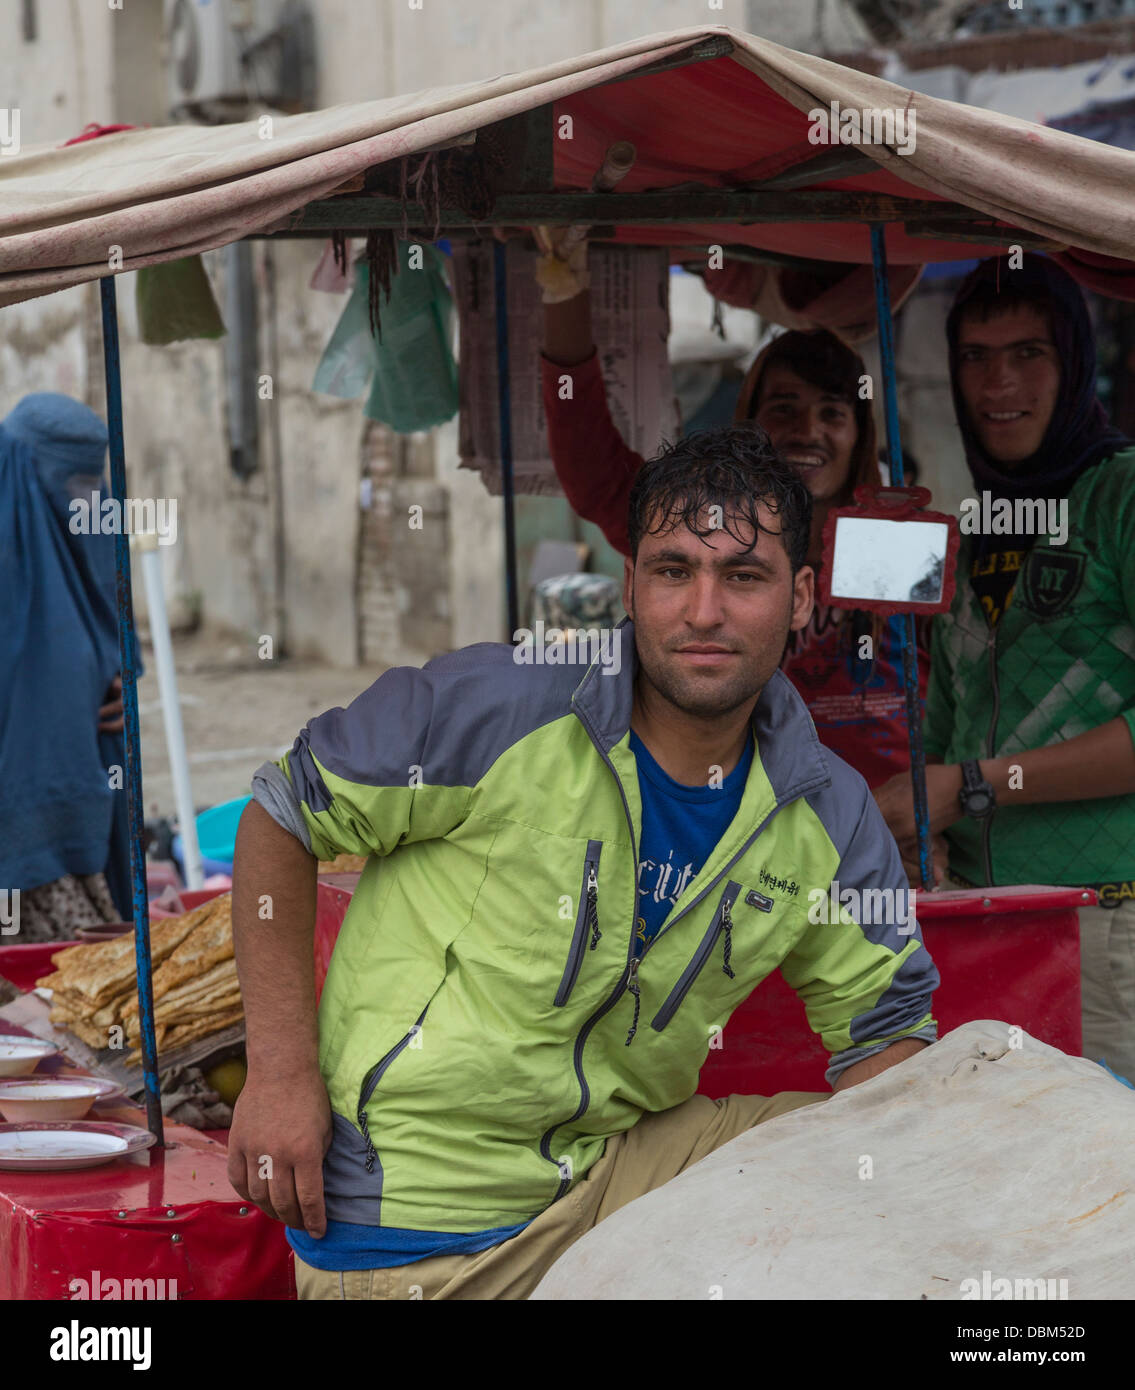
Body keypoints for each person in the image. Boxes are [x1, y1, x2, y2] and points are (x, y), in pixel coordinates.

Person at [229, 426, 939, 1301]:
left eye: (743, 576)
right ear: (632, 585)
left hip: (616, 1174)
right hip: (415, 1218)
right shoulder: (498, 707)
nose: (704, 611)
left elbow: (887, 1034)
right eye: (674, 571)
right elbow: (281, 811)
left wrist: (888, 1187)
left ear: (799, 597)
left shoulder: (826, 805)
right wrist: (280, 1074)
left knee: (929, 1125)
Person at [873, 253, 1135, 1081]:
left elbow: (963, 769)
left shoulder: (1119, 496)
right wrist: (930, 829)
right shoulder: (971, 528)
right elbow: (943, 732)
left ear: (1074, 363)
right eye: (974, 357)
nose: (998, 381)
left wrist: (976, 785)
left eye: (1028, 353)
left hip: (1107, 921)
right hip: (981, 930)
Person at [540, 283, 933, 800]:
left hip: (880, 829)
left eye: (833, 413)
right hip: (735, 830)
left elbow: (946, 694)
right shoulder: (700, 525)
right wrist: (560, 282)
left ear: (860, 434)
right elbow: (593, 467)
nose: (808, 431)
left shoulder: (897, 545)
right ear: (750, 420)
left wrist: (931, 812)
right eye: (785, 408)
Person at [0, 394, 131, 940]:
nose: (84, 502)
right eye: (70, 483)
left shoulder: (89, 557)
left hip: (97, 838)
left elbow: (114, 650)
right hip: (23, 860)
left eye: (92, 485)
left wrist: (125, 690)